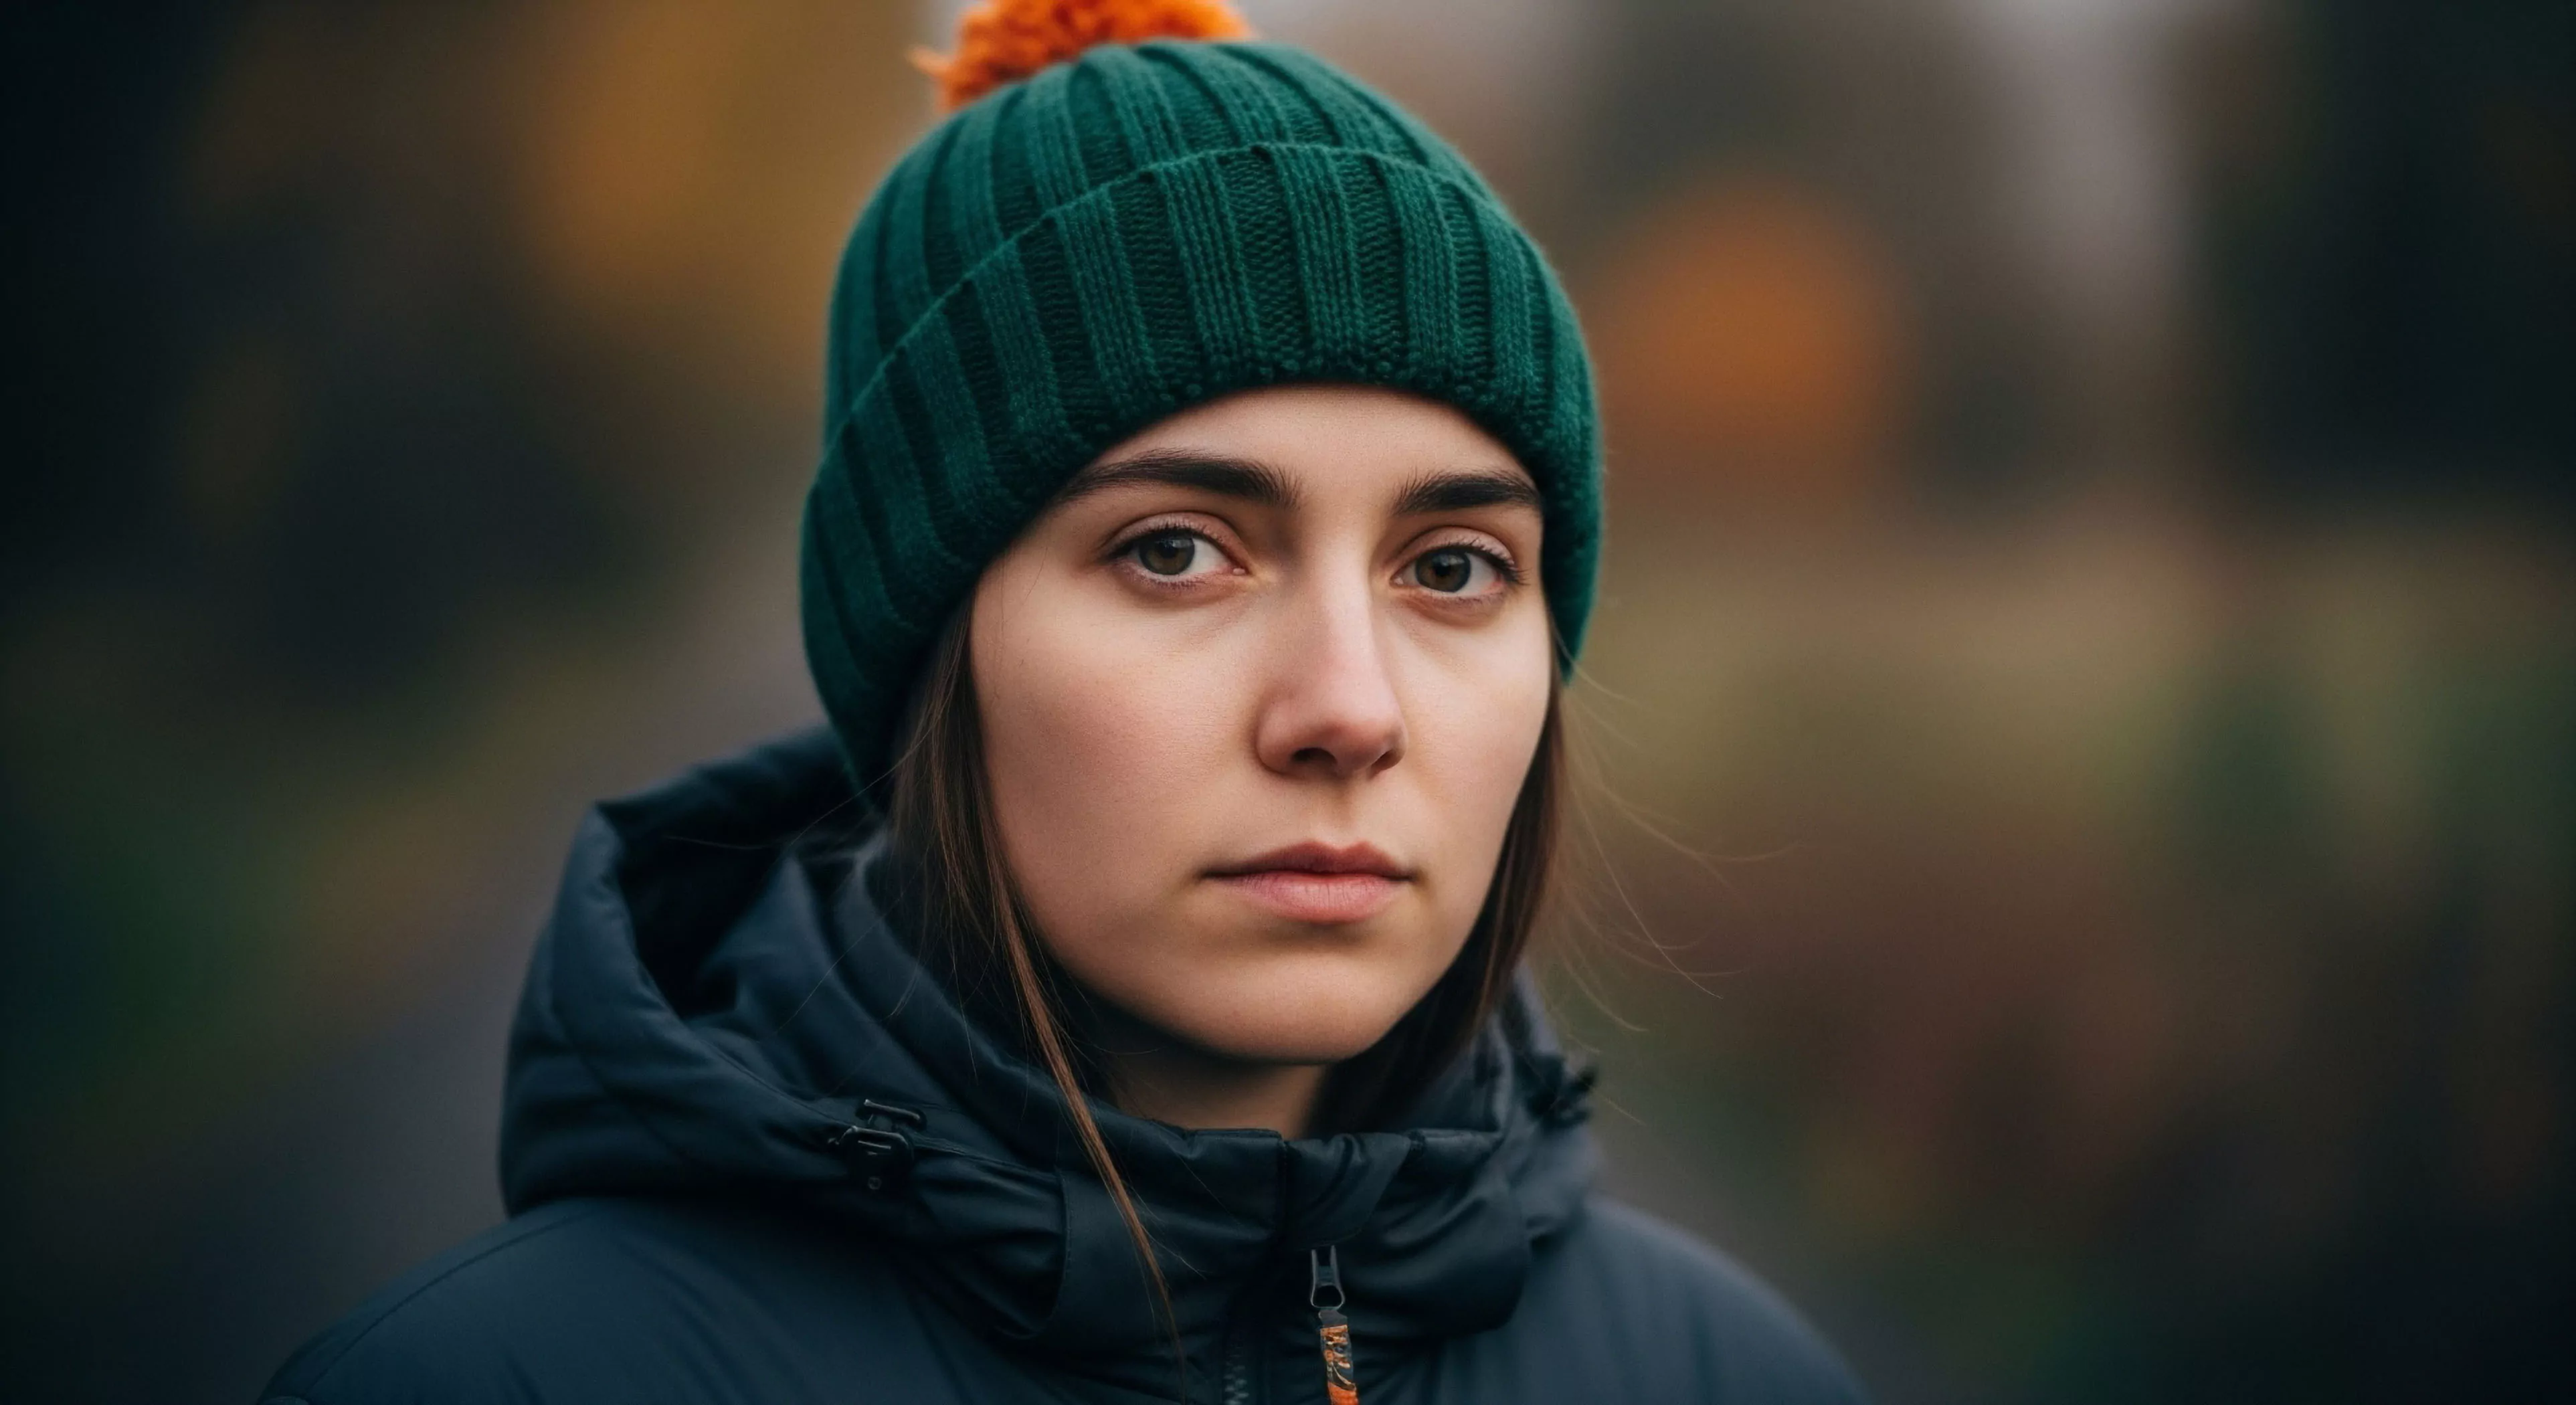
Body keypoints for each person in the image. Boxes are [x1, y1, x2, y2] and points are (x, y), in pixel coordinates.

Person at [260, 3, 1867, 1401]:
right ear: (928, 646)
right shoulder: (486, 1385)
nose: (1348, 709)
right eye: (1176, 550)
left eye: (1450, 569)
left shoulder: (1733, 1377)